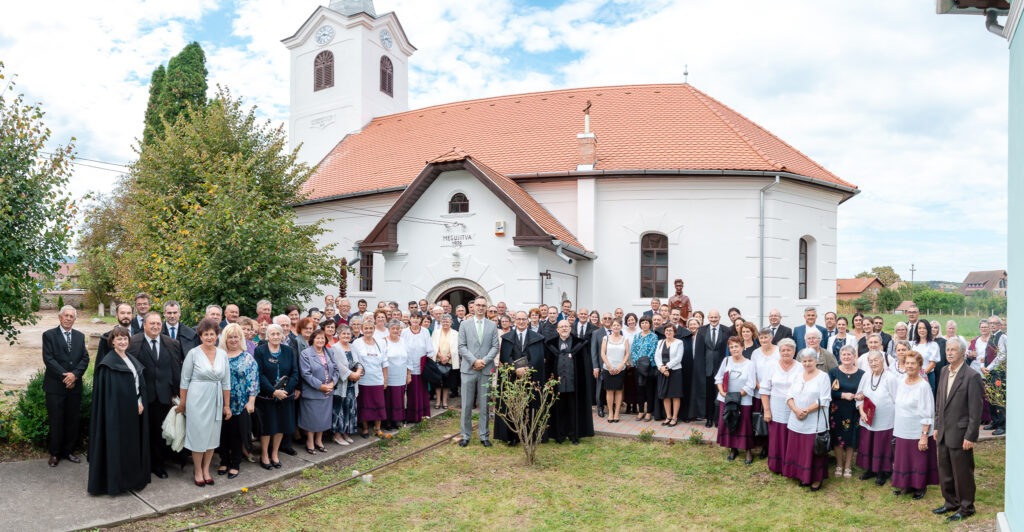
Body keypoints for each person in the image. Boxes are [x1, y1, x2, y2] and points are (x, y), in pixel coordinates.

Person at [88, 325, 150, 495]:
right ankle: (117, 483)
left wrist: (139, 401)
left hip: (134, 412)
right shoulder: (108, 364)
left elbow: (136, 385)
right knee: (118, 447)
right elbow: (111, 395)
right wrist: (133, 403)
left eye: (125, 338)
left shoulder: (130, 359)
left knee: (131, 447)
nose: (122, 341)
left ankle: (132, 480)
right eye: (119, 339)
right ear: (112, 341)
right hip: (117, 416)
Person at [933, 338, 985, 522]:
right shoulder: (944, 371)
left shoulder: (972, 376)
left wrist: (971, 435)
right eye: (948, 349)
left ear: (963, 352)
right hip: (944, 431)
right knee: (945, 469)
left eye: (953, 349)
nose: (949, 352)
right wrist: (937, 426)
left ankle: (966, 507)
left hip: (961, 433)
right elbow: (940, 402)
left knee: (962, 473)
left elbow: (975, 411)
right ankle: (950, 503)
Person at [176, 318, 231, 488]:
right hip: (197, 400)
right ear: (200, 336)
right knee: (198, 436)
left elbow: (226, 382)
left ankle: (207, 469)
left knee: (212, 437)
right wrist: (183, 403)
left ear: (217, 336)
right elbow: (184, 382)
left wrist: (226, 405)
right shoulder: (193, 354)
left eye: (212, 334)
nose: (209, 337)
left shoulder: (222, 354)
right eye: (205, 334)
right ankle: (197, 470)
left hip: (216, 399)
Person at [128, 311, 183, 479]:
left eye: (158, 323)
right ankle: (143, 463)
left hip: (164, 396)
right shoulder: (134, 343)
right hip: (144, 397)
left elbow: (176, 370)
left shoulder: (172, 343)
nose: (155, 326)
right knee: (143, 431)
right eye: (152, 323)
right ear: (144, 325)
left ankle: (159, 465)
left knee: (161, 432)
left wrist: (177, 394)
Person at [42, 306, 90, 468]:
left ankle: (68, 451)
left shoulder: (79, 336)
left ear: (75, 319)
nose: (69, 318)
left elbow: (85, 358)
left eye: (72, 316)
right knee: (56, 421)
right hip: (55, 387)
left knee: (72, 421)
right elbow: (49, 359)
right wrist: (66, 376)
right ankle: (55, 454)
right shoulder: (49, 335)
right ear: (60, 317)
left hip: (74, 387)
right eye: (66, 316)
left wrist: (75, 375)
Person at [891, 350, 939, 500]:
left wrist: (924, 436)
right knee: (904, 459)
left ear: (919, 366)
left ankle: (919, 486)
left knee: (918, 459)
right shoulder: (900, 382)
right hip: (902, 429)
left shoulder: (923, 386)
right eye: (907, 363)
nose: (910, 366)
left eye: (913, 363)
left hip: (917, 430)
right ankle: (906, 484)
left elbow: (928, 412)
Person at [782, 348, 832, 491]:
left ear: (816, 361)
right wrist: (796, 410)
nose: (807, 363)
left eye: (810, 360)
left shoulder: (823, 377)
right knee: (799, 449)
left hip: (814, 422)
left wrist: (806, 410)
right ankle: (802, 475)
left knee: (813, 451)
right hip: (796, 419)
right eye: (804, 361)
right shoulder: (798, 375)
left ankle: (816, 479)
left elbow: (824, 399)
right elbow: (789, 395)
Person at [494, 311, 546, 445]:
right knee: (512, 405)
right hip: (512, 378)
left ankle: (529, 435)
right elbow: (505, 357)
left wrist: (527, 369)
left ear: (528, 320)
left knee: (529, 405)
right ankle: (512, 436)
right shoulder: (507, 338)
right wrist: (515, 369)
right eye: (518, 319)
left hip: (530, 378)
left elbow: (538, 357)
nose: (521, 322)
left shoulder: (537, 338)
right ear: (514, 321)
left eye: (524, 319)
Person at [253, 323, 299, 469]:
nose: (275, 336)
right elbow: (259, 374)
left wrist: (286, 391)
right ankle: (264, 454)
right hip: (267, 396)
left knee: (281, 425)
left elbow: (295, 373)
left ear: (282, 335)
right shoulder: (260, 351)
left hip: (285, 396)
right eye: (272, 334)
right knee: (267, 426)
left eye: (278, 334)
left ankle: (275, 453)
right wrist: (273, 391)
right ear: (267, 336)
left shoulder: (289, 351)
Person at [217, 323, 258, 479]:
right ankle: (223, 460)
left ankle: (235, 463)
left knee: (236, 434)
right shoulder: (219, 356)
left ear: (240, 338)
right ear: (225, 339)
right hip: (220, 401)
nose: (233, 340)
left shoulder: (247, 357)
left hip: (240, 403)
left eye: (236, 337)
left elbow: (253, 381)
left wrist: (251, 401)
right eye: (230, 337)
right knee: (222, 433)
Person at [457, 297, 500, 447]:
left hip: (486, 369)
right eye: (478, 305)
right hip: (468, 369)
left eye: (483, 305)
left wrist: (484, 361)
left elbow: (495, 347)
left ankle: (484, 435)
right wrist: (474, 361)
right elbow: (461, 346)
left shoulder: (492, 325)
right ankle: (465, 435)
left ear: (486, 308)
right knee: (467, 404)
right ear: (473, 307)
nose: (481, 308)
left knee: (484, 405)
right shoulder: (464, 324)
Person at [545, 320, 594, 444]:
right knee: (559, 409)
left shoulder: (580, 344)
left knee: (573, 409)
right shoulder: (550, 344)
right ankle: (559, 435)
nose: (564, 329)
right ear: (557, 329)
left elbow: (585, 365)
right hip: (557, 384)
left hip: (574, 383)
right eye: (561, 327)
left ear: (570, 328)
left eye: (566, 326)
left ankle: (574, 435)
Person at [854, 351, 898, 486]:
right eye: (870, 361)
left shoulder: (890, 378)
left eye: (876, 360)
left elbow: (896, 399)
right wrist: (861, 412)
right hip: (867, 417)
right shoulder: (866, 376)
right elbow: (859, 395)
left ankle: (882, 472)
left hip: (885, 419)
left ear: (882, 361)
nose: (873, 363)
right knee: (868, 443)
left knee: (881, 445)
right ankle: (869, 469)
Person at [760, 338, 800, 475]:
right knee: (777, 437)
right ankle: (776, 465)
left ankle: (791, 466)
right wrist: (767, 410)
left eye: (789, 350)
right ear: (779, 351)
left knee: (792, 437)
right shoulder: (771, 366)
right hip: (776, 407)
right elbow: (764, 390)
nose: (786, 352)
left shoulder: (800, 367)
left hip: (794, 408)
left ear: (794, 351)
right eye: (783, 350)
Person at [298, 328, 340, 454]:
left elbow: (336, 369)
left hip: (327, 391)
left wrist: (332, 383)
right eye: (318, 338)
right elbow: (306, 374)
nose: (321, 340)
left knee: (323, 418)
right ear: (312, 339)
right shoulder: (305, 353)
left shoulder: (329, 352)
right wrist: (321, 386)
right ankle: (310, 441)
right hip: (313, 391)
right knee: (311, 419)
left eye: (323, 338)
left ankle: (319, 440)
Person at [715, 336, 756, 463]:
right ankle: (733, 449)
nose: (734, 349)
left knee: (745, 424)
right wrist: (722, 392)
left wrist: (738, 396)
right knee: (729, 422)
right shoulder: (726, 361)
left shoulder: (750, 364)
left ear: (742, 347)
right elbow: (719, 378)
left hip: (743, 400)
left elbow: (751, 384)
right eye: (731, 347)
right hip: (726, 400)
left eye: (736, 346)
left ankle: (748, 450)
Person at [829, 344, 864, 479]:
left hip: (853, 411)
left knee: (851, 438)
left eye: (849, 354)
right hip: (837, 410)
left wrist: (861, 396)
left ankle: (848, 465)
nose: (846, 357)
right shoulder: (834, 372)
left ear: (854, 356)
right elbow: (829, 391)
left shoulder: (862, 374)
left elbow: (865, 390)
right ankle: (839, 464)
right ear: (840, 357)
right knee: (838, 437)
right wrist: (842, 395)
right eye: (844, 355)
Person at [353, 319, 388, 438]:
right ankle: (365, 428)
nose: (368, 330)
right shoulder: (357, 343)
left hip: (377, 379)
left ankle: (377, 428)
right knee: (364, 404)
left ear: (374, 329)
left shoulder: (380, 343)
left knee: (378, 404)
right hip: (363, 380)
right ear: (362, 329)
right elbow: (354, 362)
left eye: (370, 328)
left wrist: (385, 379)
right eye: (366, 328)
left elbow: (385, 362)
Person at [330, 325, 362, 445]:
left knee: (350, 408)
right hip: (341, 384)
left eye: (348, 334)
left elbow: (358, 362)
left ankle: (346, 432)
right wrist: (350, 374)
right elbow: (337, 365)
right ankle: (337, 435)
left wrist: (358, 372)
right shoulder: (334, 348)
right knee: (339, 409)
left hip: (352, 385)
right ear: (338, 335)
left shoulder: (353, 347)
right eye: (343, 334)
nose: (346, 336)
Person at [402, 311, 435, 423]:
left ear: (420, 320)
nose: (415, 320)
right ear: (409, 319)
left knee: (423, 391)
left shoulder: (425, 331)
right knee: (411, 392)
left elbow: (430, 348)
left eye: (417, 318)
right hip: (408, 367)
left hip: (422, 366)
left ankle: (423, 415)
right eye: (413, 317)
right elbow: (403, 349)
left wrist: (427, 359)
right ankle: (411, 417)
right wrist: (408, 368)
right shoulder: (404, 332)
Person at [751, 327, 779, 457]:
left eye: (766, 337)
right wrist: (759, 386)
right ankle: (761, 444)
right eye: (761, 337)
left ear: (771, 338)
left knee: (772, 419)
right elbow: (752, 372)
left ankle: (770, 446)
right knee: (760, 418)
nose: (763, 339)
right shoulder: (755, 353)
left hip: (775, 391)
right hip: (759, 391)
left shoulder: (779, 351)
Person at [381, 319, 412, 430]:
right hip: (389, 376)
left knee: (399, 398)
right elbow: (382, 360)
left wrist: (409, 374)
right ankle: (388, 421)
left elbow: (409, 358)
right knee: (389, 399)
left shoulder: (403, 341)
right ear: (388, 329)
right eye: (393, 328)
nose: (395, 330)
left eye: (397, 328)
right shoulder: (384, 341)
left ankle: (397, 419)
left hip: (401, 375)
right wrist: (384, 378)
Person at [701, 310, 729, 427]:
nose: (713, 319)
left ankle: (718, 419)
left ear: (719, 317)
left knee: (720, 394)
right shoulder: (702, 330)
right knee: (708, 395)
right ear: (708, 318)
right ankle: (709, 418)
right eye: (711, 317)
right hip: (707, 368)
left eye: (715, 317)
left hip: (721, 367)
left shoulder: (726, 330)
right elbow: (700, 350)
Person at [600, 319, 630, 423]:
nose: (616, 327)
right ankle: (610, 413)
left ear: (621, 327)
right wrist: (609, 366)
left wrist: (621, 365)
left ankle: (617, 413)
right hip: (608, 369)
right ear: (611, 327)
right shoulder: (606, 338)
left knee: (618, 391)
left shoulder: (625, 339)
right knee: (609, 391)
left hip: (620, 369)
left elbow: (627, 353)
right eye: (614, 325)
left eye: (618, 325)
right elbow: (603, 353)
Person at [630, 316, 659, 422]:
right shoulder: (637, 336)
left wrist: (645, 362)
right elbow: (633, 350)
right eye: (642, 322)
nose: (644, 324)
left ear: (650, 324)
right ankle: (641, 411)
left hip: (649, 367)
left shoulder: (653, 336)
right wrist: (638, 361)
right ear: (640, 324)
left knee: (649, 390)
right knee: (639, 389)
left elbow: (653, 351)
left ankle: (649, 412)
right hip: (638, 367)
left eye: (647, 322)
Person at [656, 323, 684, 427]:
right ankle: (668, 416)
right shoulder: (660, 342)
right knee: (665, 395)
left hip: (675, 372)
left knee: (675, 395)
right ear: (664, 332)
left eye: (670, 330)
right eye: (667, 330)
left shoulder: (679, 342)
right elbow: (656, 357)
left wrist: (667, 367)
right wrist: (662, 368)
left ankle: (674, 417)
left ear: (674, 332)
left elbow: (678, 358)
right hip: (662, 372)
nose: (668, 332)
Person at [430, 314, 459, 409]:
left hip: (450, 361)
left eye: (447, 321)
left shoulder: (455, 333)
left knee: (447, 383)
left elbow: (456, 347)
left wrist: (447, 356)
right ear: (441, 322)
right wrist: (440, 356)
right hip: (438, 360)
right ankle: (438, 401)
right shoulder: (436, 332)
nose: (445, 323)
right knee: (438, 383)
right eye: (443, 321)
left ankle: (445, 401)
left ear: (451, 323)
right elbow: (433, 346)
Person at [95, 303, 133, 371]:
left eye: (129, 313)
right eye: (122, 313)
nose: (126, 316)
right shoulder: (106, 337)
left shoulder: (140, 335)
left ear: (132, 315)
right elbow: (100, 363)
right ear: (116, 315)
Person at [682, 317, 707, 422]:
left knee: (699, 391)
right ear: (687, 326)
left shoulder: (703, 336)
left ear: (699, 325)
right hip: (688, 368)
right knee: (688, 391)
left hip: (700, 368)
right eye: (690, 324)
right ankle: (688, 415)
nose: (692, 326)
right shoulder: (685, 337)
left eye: (694, 324)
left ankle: (699, 413)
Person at [912, 320, 940, 395]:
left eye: (924, 328)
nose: (922, 330)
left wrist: (921, 375)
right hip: (913, 375)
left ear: (928, 330)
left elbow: (932, 363)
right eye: (919, 328)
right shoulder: (913, 344)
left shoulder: (933, 345)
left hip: (927, 376)